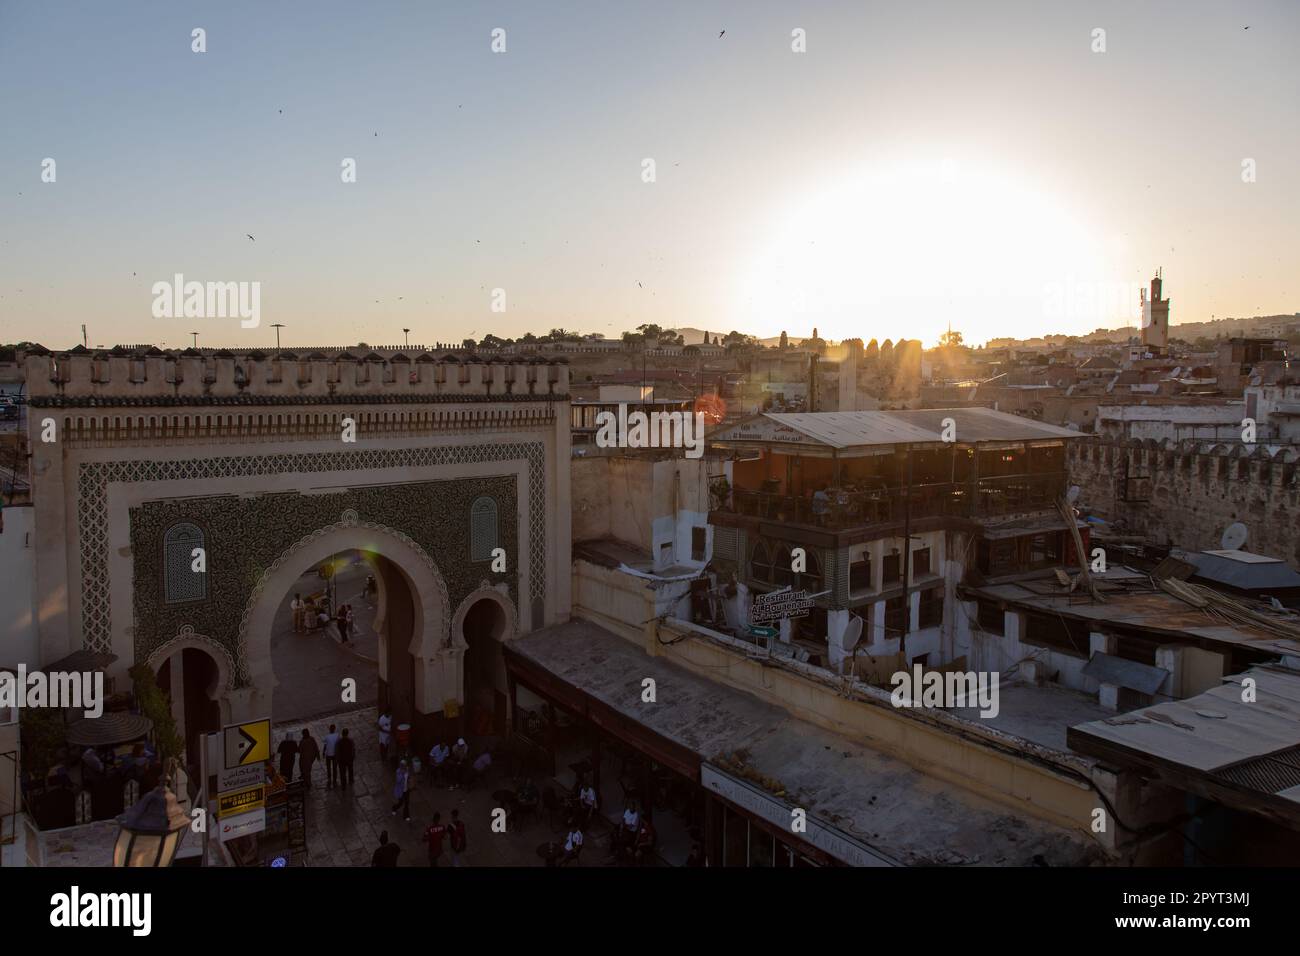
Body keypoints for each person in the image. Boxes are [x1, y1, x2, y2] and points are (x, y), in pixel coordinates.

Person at [322, 724, 340, 789]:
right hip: (335, 754)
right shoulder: (337, 736)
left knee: (328, 767)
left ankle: (329, 778)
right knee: (335, 767)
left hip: (328, 754)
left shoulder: (327, 737)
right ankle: (334, 779)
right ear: (334, 729)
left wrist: (323, 753)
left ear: (329, 729)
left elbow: (325, 745)